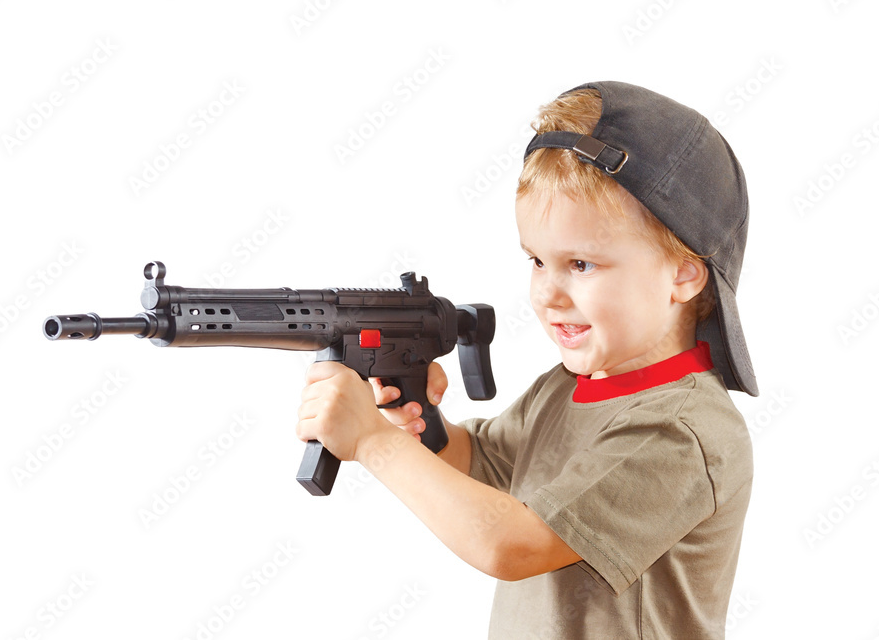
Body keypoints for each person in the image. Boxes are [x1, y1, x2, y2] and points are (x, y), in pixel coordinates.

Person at [296, 81, 757, 639]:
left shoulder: (683, 431)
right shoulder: (565, 387)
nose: (547, 294)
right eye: (537, 260)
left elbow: (511, 544)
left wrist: (374, 442)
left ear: (683, 273)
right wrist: (416, 415)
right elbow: (480, 464)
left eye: (581, 264)